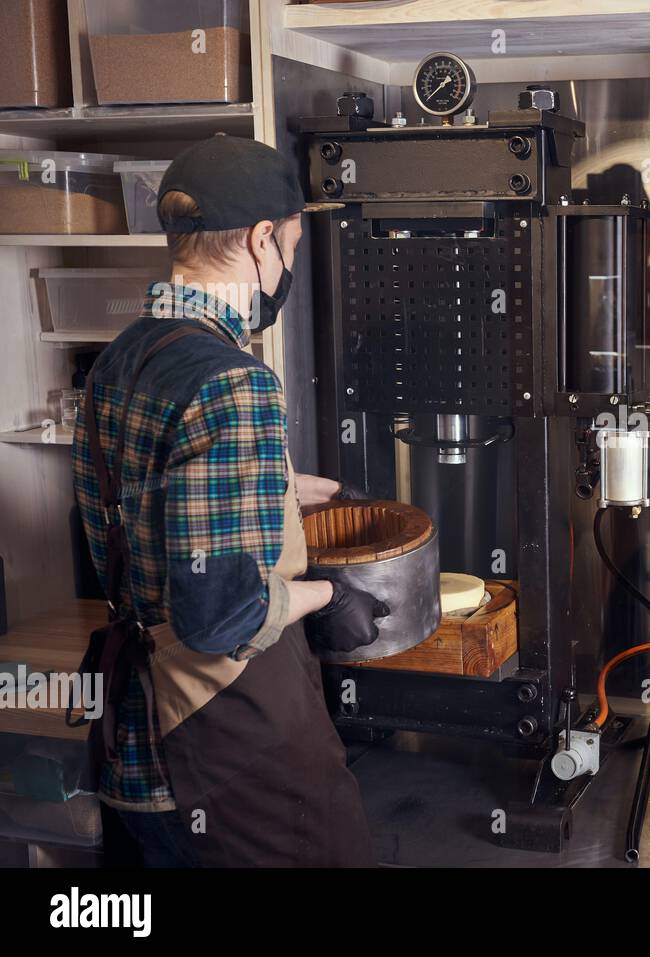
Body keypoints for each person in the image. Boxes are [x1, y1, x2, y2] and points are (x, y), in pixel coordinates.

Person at [72, 135, 386, 866]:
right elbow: (220, 617)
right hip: (225, 751)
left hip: (132, 742)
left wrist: (276, 488)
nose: (289, 267)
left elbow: (146, 509)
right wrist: (321, 593)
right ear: (261, 239)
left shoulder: (120, 357)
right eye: (294, 245)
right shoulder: (233, 380)